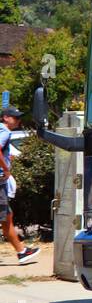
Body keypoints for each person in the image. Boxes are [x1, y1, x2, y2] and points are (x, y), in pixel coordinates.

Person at [0, 106, 38, 265]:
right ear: (5, 118)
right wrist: (6, 169)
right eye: (15, 117)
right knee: (5, 217)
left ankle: (22, 251)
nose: (18, 120)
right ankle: (21, 252)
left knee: (7, 217)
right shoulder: (5, 131)